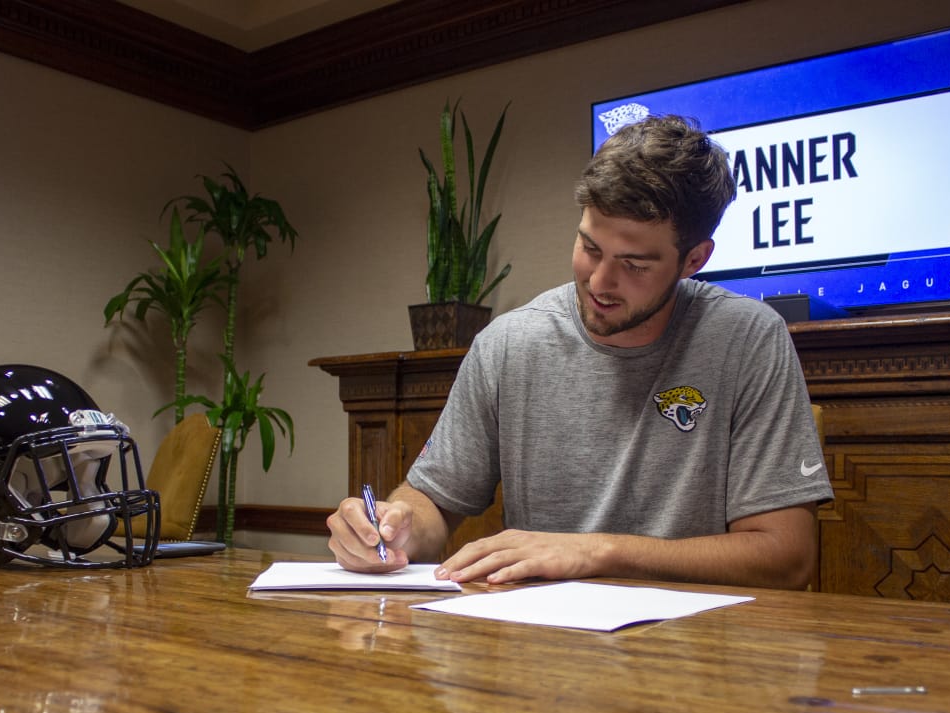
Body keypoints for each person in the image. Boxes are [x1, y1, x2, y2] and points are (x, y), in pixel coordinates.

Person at [327, 115, 834, 590]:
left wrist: (600, 552)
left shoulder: (748, 339)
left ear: (694, 260)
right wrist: (393, 529)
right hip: (544, 654)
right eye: (590, 247)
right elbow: (434, 501)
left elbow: (786, 555)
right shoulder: (508, 345)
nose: (599, 282)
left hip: (695, 654)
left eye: (634, 264)